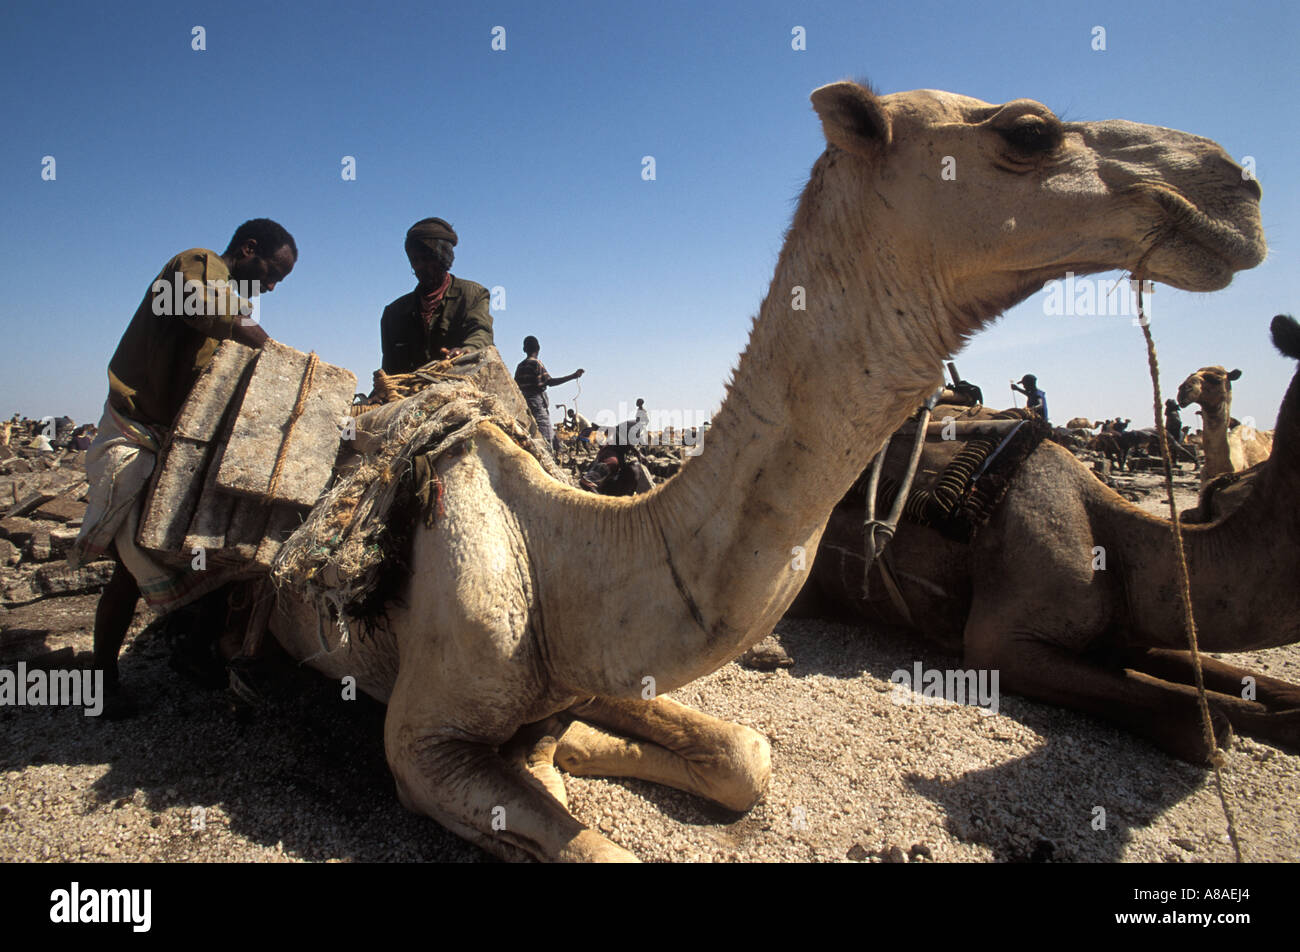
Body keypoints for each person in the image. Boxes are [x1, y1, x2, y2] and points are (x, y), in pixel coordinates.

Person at [71, 218, 296, 709]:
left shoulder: (229, 315)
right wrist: (284, 357)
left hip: (175, 445)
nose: (274, 285)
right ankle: (103, 682)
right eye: (273, 272)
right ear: (248, 248)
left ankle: (193, 649)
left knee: (212, 551)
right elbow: (213, 310)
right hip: (136, 435)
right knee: (129, 568)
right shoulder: (198, 264)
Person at [380, 218, 493, 373]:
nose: (420, 266)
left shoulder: (473, 295)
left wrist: (466, 351)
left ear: (443, 259)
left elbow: (480, 333)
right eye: (415, 260)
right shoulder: (393, 314)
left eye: (427, 259)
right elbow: (389, 369)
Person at [514, 336, 584, 446]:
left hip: (524, 402)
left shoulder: (520, 366)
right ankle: (549, 455)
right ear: (538, 348)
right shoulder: (536, 364)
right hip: (536, 401)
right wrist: (573, 376)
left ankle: (555, 448)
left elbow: (516, 385)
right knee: (545, 434)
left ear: (524, 349)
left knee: (533, 431)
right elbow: (550, 382)